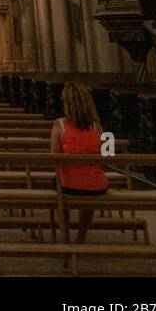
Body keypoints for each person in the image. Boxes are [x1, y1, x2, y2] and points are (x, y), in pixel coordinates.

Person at [50, 83, 108, 244]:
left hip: (68, 184)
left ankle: (65, 235)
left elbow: (53, 157)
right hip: (96, 185)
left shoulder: (59, 125)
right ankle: (81, 235)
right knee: (88, 187)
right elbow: (108, 154)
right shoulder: (97, 126)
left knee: (58, 185)